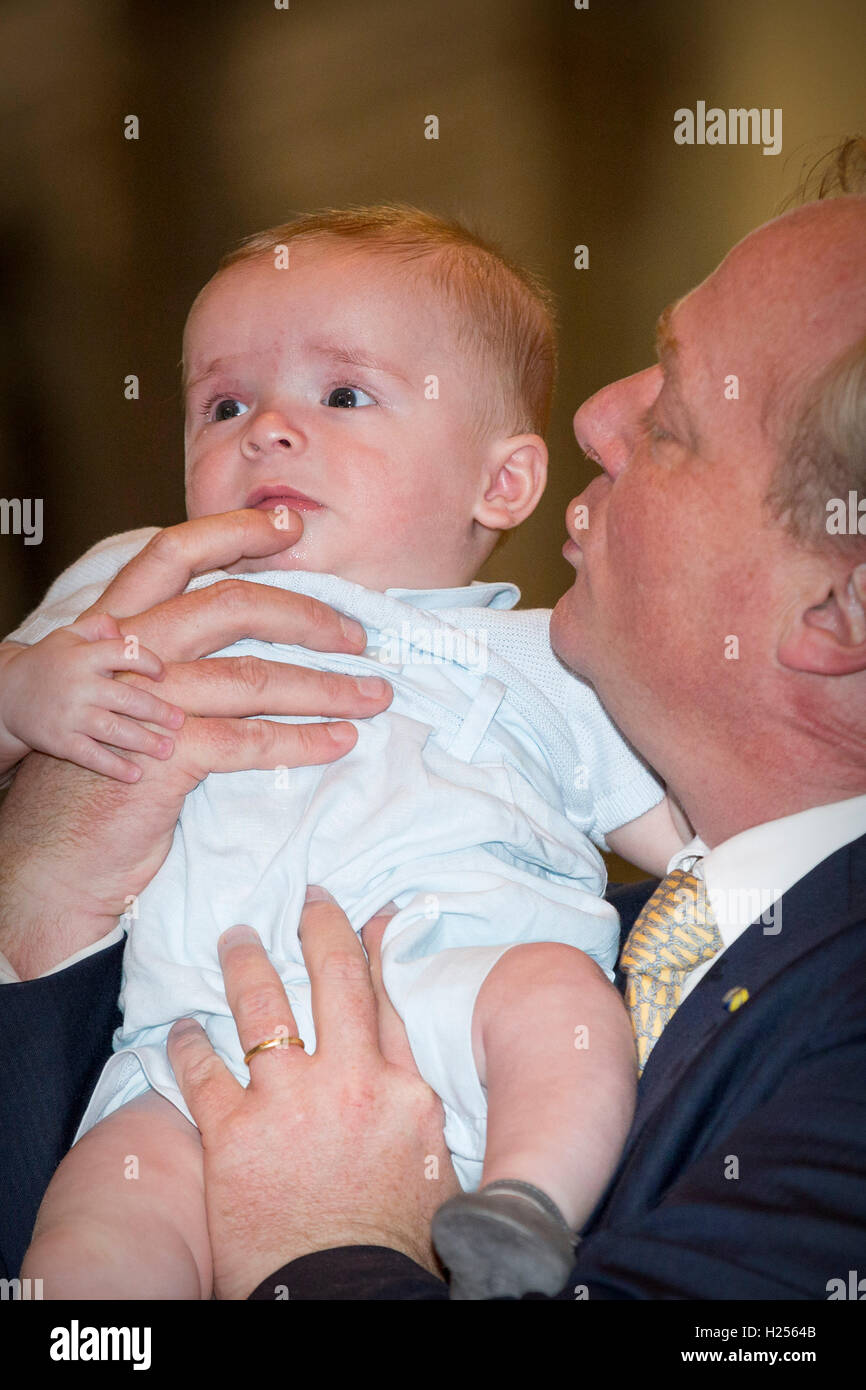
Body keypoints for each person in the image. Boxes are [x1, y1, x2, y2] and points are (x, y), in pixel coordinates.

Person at [152, 165, 866, 1300]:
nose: (589, 414)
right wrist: (59, 854)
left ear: (835, 611)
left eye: (670, 418)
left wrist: (320, 1247)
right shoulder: (617, 923)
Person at [3, 207, 685, 1299]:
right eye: (224, 403)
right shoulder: (146, 578)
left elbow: (697, 865)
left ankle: (523, 1204)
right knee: (91, 1233)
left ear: (499, 484)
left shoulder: (546, 657)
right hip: (191, 1045)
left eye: (342, 395)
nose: (265, 430)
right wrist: (29, 692)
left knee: (562, 1004)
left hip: (458, 989)